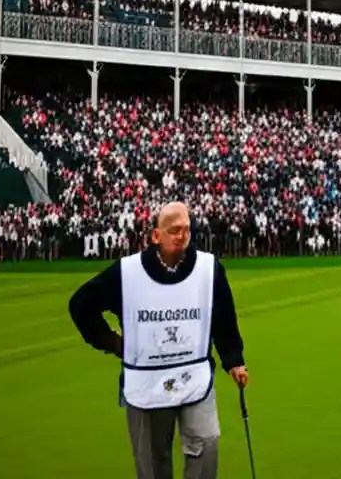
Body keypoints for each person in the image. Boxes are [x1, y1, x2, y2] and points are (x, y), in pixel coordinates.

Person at [68, 201, 249, 479]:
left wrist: (234, 360)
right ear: (156, 236)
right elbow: (81, 304)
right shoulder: (127, 273)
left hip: (194, 376)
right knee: (153, 465)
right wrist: (114, 343)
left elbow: (224, 316)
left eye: (187, 229)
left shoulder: (208, 269)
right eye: (174, 230)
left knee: (207, 444)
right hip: (148, 383)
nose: (182, 236)